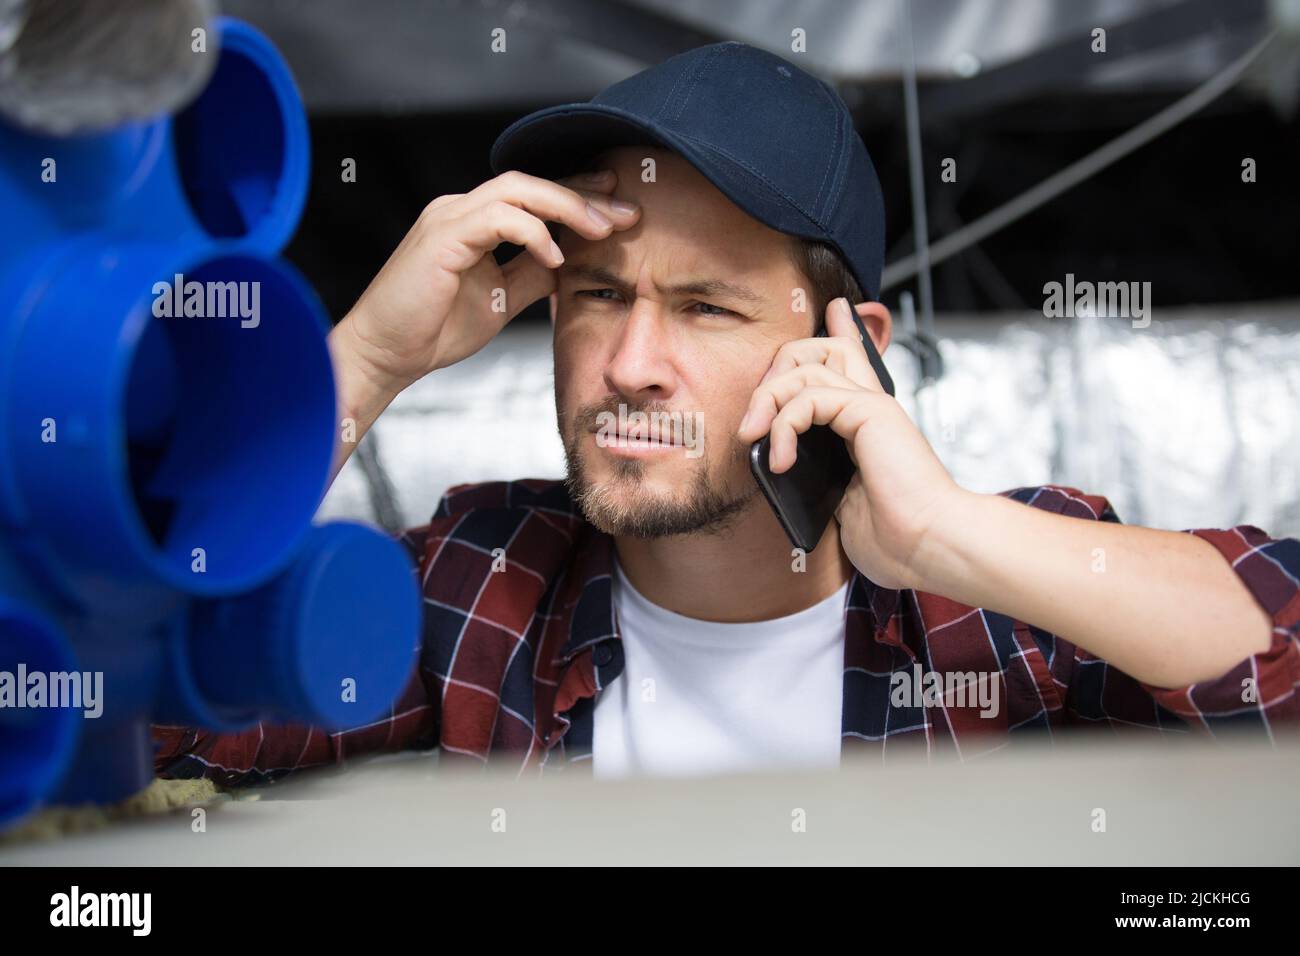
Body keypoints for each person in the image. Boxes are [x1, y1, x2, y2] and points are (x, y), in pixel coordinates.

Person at [154, 42, 1300, 784]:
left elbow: (1278, 664)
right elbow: (134, 706)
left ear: (852, 350)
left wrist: (946, 534)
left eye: (705, 308)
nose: (631, 363)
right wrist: (360, 363)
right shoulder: (478, 587)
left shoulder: (991, 608)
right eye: (599, 296)